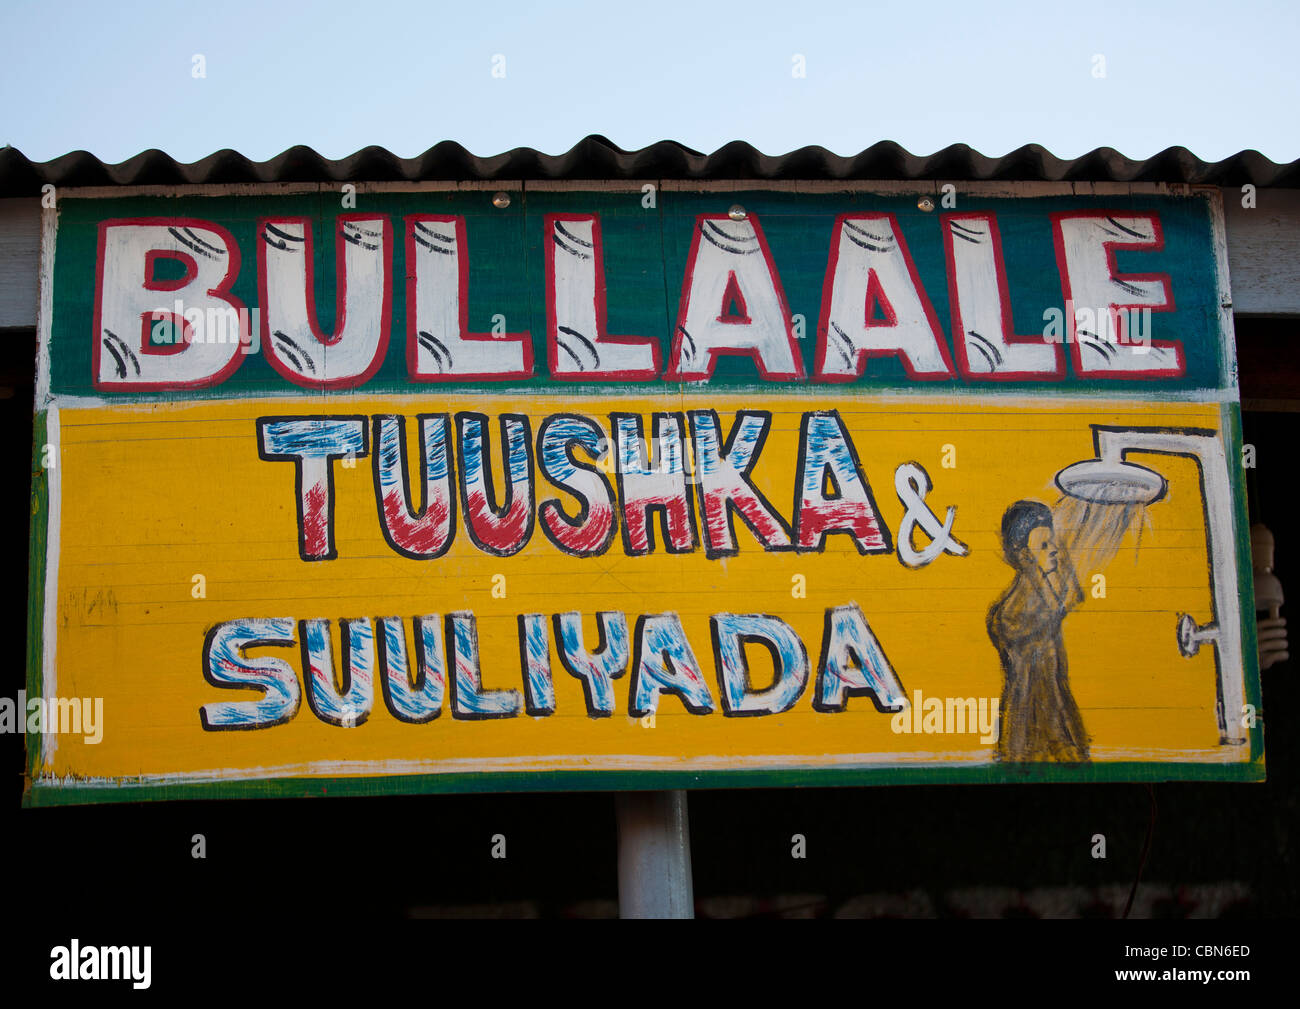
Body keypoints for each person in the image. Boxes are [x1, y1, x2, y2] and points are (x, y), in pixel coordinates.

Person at [987, 500, 1090, 762]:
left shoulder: (1042, 596)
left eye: (1053, 542)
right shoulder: (1017, 609)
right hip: (1031, 727)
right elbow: (1060, 607)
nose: (1055, 550)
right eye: (1045, 545)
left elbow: (1070, 599)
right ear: (1024, 556)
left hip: (1053, 717)